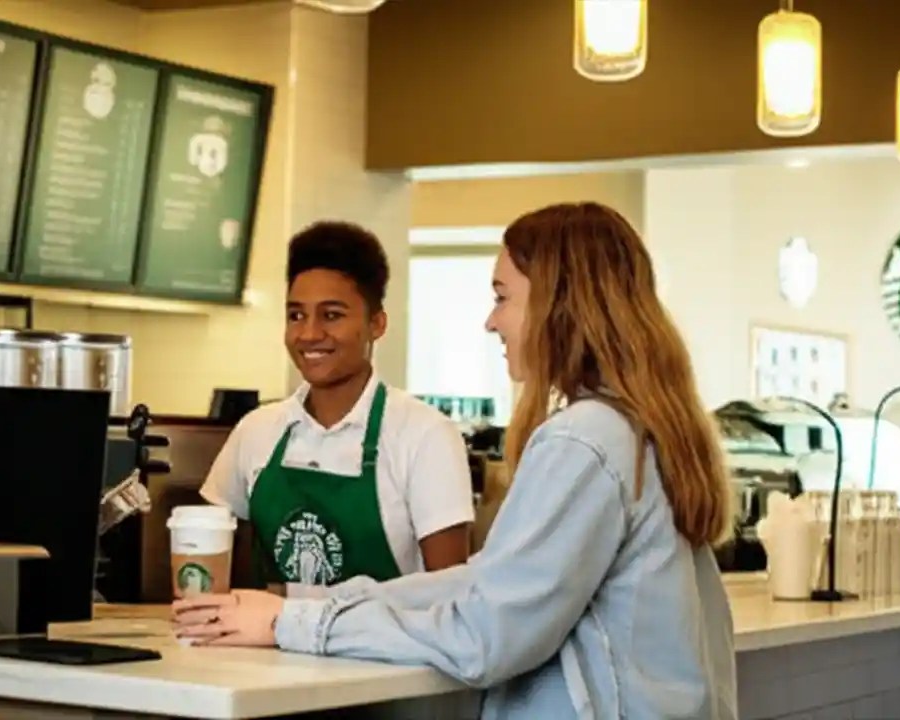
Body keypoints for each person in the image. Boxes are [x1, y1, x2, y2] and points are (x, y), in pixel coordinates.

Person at [176, 204, 738, 719]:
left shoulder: (581, 442)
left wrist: (291, 622)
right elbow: (484, 585)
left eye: (502, 297)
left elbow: (485, 634)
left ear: (556, 303)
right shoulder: (639, 429)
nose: (491, 322)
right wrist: (301, 607)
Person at [199, 220, 475, 596]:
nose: (309, 334)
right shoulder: (256, 430)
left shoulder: (425, 436)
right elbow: (207, 558)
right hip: (266, 652)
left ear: (376, 324)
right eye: (296, 315)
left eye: (331, 315)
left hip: (385, 653)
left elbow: (451, 596)